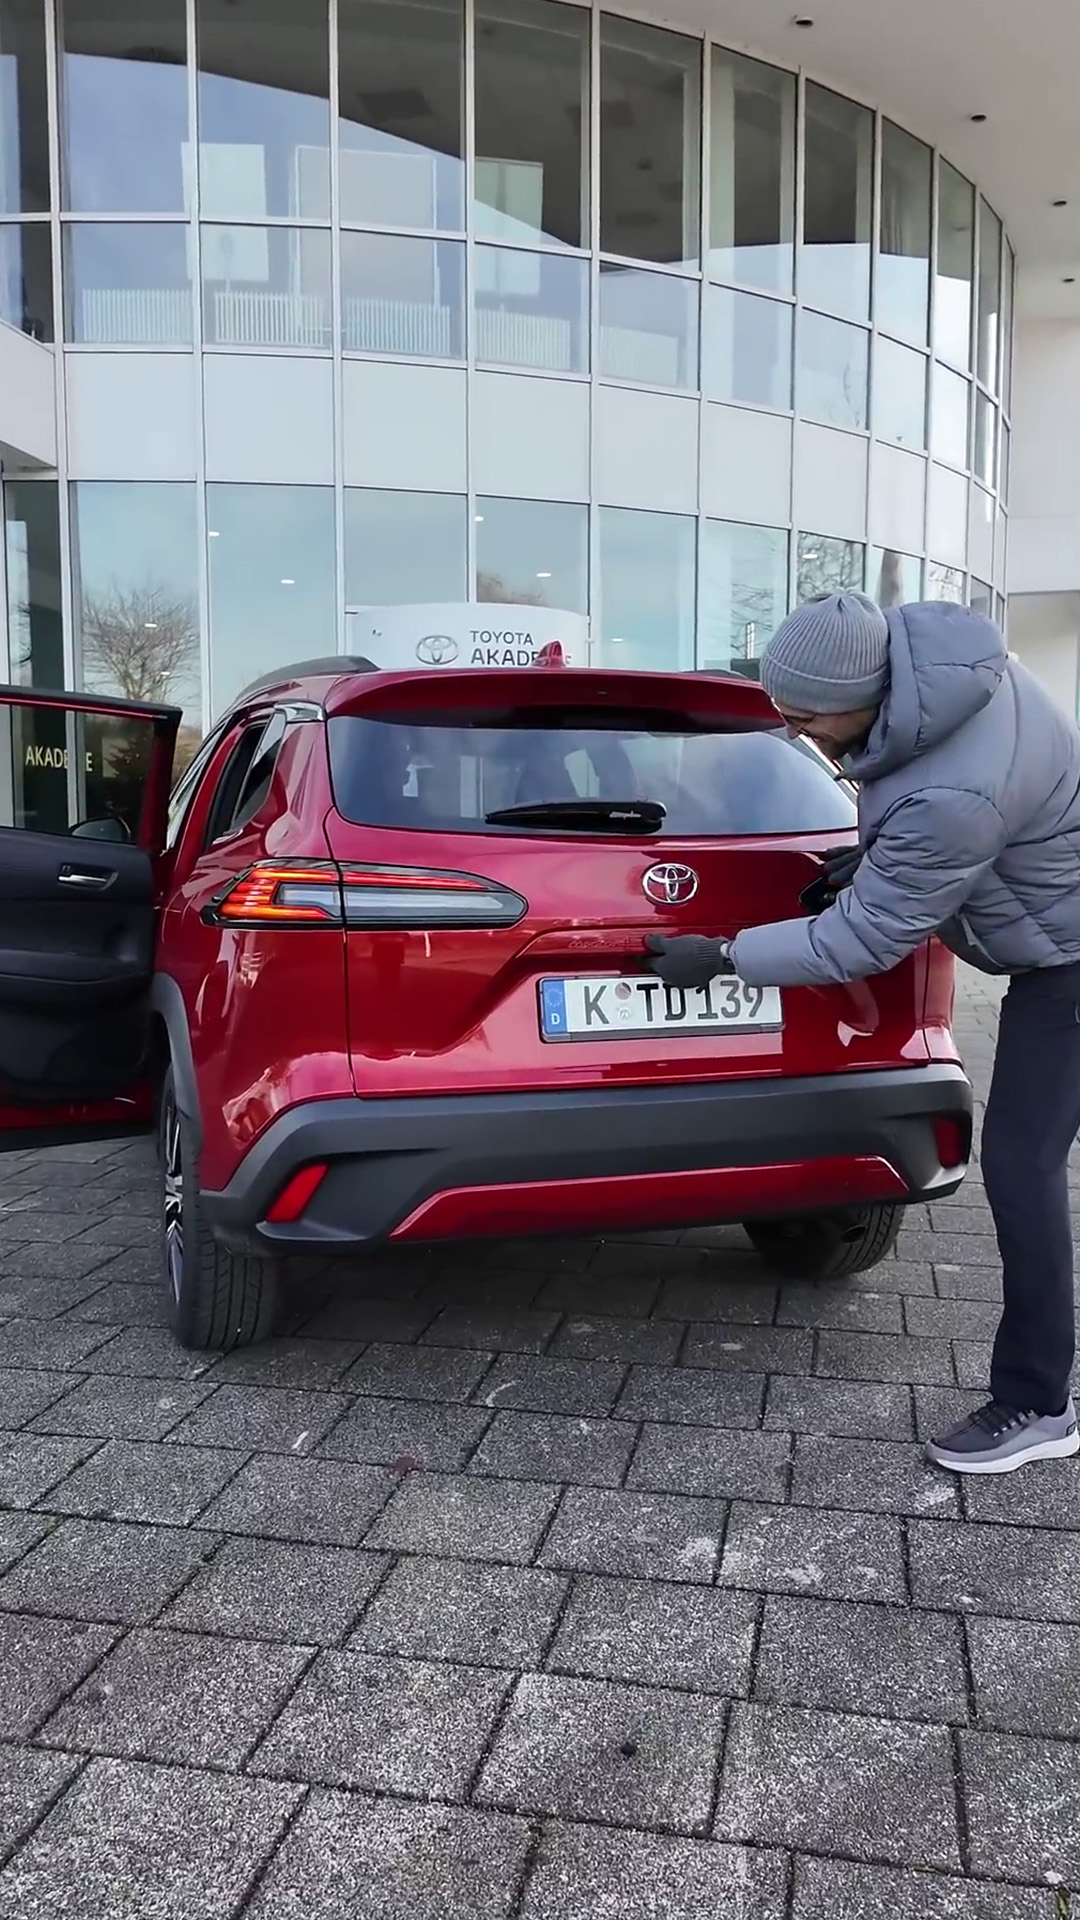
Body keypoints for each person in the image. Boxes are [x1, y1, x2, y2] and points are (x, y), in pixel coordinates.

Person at [647, 593, 1080, 1475]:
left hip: (1068, 965)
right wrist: (877, 859)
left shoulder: (949, 792)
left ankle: (1039, 1403)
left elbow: (867, 937)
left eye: (808, 719)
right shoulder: (946, 679)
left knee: (1023, 1164)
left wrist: (725, 955)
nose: (803, 738)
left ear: (867, 693)